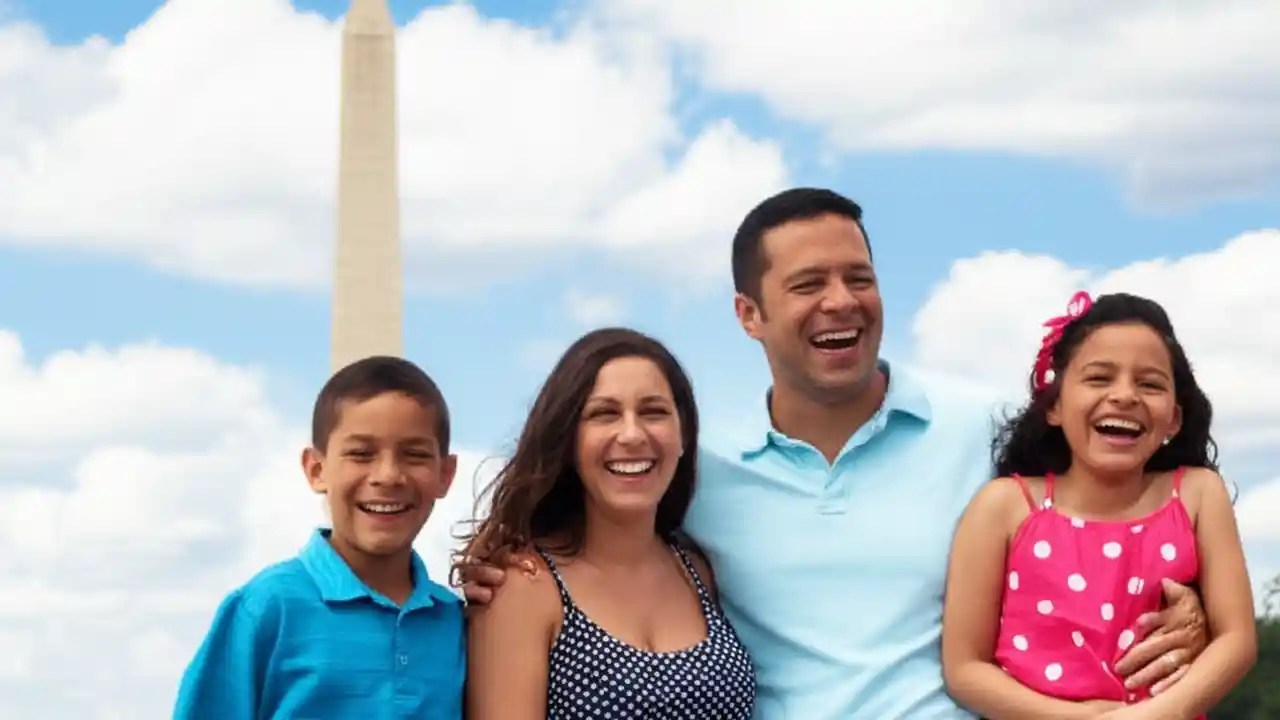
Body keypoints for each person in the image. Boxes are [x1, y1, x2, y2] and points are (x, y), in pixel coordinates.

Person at [459, 188, 1209, 718]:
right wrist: (501, 561)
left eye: (860, 278)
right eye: (808, 284)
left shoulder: (988, 432)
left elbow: (1123, 512)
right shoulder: (694, 479)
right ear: (748, 315)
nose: (841, 301)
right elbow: (599, 559)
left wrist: (1194, 607)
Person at [941, 291, 1257, 719]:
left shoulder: (1200, 494)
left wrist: (1158, 714)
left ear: (1175, 418)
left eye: (1149, 383)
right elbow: (964, 668)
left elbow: (1236, 639)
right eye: (1099, 377)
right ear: (1053, 405)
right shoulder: (1002, 507)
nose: (1124, 395)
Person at [458, 327, 756, 719]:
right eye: (604, 414)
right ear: (568, 440)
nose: (632, 434)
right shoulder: (522, 585)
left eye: (653, 411)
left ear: (683, 435)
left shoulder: (698, 570)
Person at [173, 356, 465, 719]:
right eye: (361, 454)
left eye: (415, 455)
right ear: (316, 470)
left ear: (445, 474)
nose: (388, 476)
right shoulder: (266, 607)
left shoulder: (457, 622)